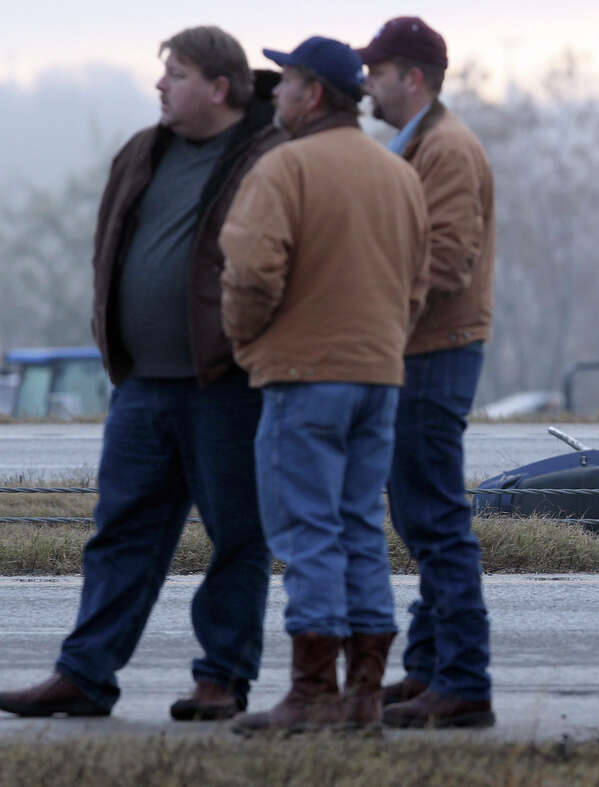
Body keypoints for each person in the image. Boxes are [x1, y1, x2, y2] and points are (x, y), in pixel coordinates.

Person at [0, 26, 282, 722]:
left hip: (226, 386)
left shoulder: (270, 156)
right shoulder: (143, 151)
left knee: (237, 534)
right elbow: (112, 246)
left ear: (219, 86)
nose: (160, 86)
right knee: (119, 533)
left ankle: (222, 679)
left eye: (175, 74)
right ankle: (84, 673)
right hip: (142, 384)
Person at [219, 35, 429, 735]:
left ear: (311, 94)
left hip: (304, 376)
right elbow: (417, 286)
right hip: (378, 375)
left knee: (306, 530)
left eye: (284, 82)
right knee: (361, 528)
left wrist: (249, 343)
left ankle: (311, 693)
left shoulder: (286, 168)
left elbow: (250, 273)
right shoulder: (397, 172)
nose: (273, 93)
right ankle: (364, 696)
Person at [359, 16, 497, 729]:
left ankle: (465, 682)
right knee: (420, 515)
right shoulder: (415, 144)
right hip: (420, 347)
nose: (367, 85)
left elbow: (445, 262)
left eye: (376, 73)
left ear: (412, 77)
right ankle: (426, 668)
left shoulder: (444, 150)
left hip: (432, 350)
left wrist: (367, 308)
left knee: (435, 520)